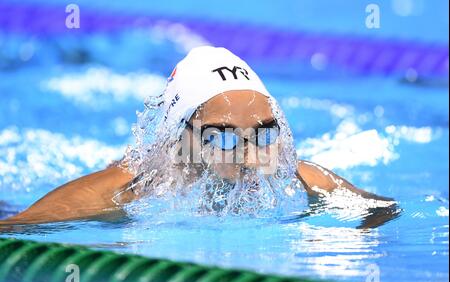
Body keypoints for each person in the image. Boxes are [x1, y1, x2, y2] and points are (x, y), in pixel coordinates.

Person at [0, 46, 395, 226]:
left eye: (264, 134)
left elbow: (384, 207)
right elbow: (13, 231)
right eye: (223, 138)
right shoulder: (121, 193)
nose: (249, 157)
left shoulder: (301, 179)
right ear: (181, 140)